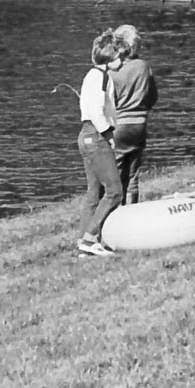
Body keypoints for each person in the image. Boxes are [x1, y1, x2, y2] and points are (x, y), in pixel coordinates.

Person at [75, 29, 124, 257]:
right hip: (96, 136)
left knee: (94, 192)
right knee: (114, 190)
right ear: (110, 58)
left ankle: (84, 240)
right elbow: (97, 111)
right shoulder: (102, 77)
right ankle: (91, 236)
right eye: (120, 57)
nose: (122, 62)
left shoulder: (90, 76)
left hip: (85, 135)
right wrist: (109, 134)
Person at [109, 22, 158, 205]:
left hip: (119, 125)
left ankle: (114, 213)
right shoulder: (144, 67)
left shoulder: (112, 71)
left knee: (116, 173)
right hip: (139, 124)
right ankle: (132, 211)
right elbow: (152, 97)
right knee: (133, 174)